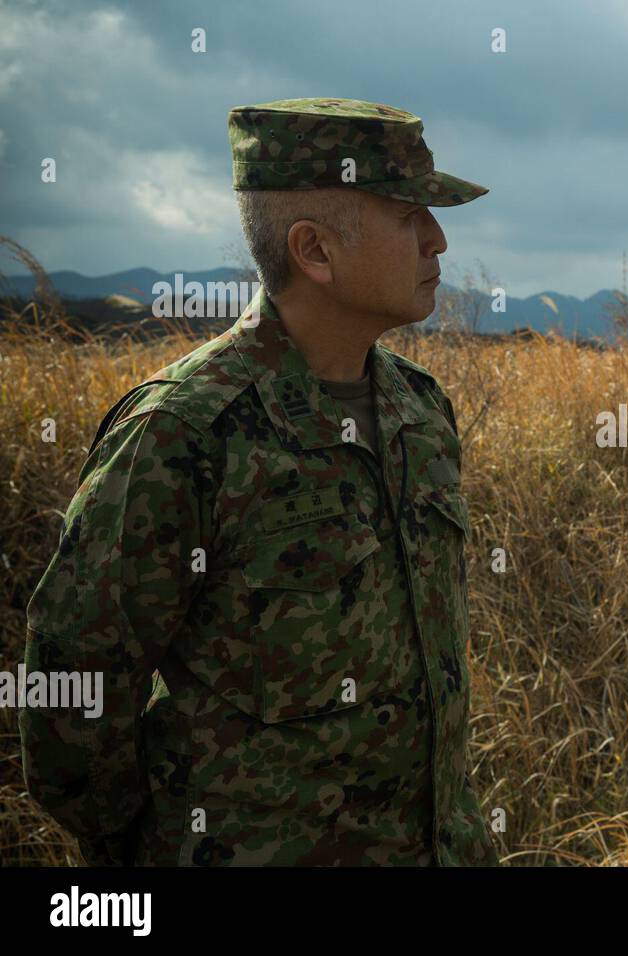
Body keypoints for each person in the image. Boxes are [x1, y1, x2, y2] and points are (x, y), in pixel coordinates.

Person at [21, 98, 497, 866]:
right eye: (410, 215)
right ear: (313, 250)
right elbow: (71, 694)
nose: (438, 240)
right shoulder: (184, 433)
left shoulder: (419, 410)